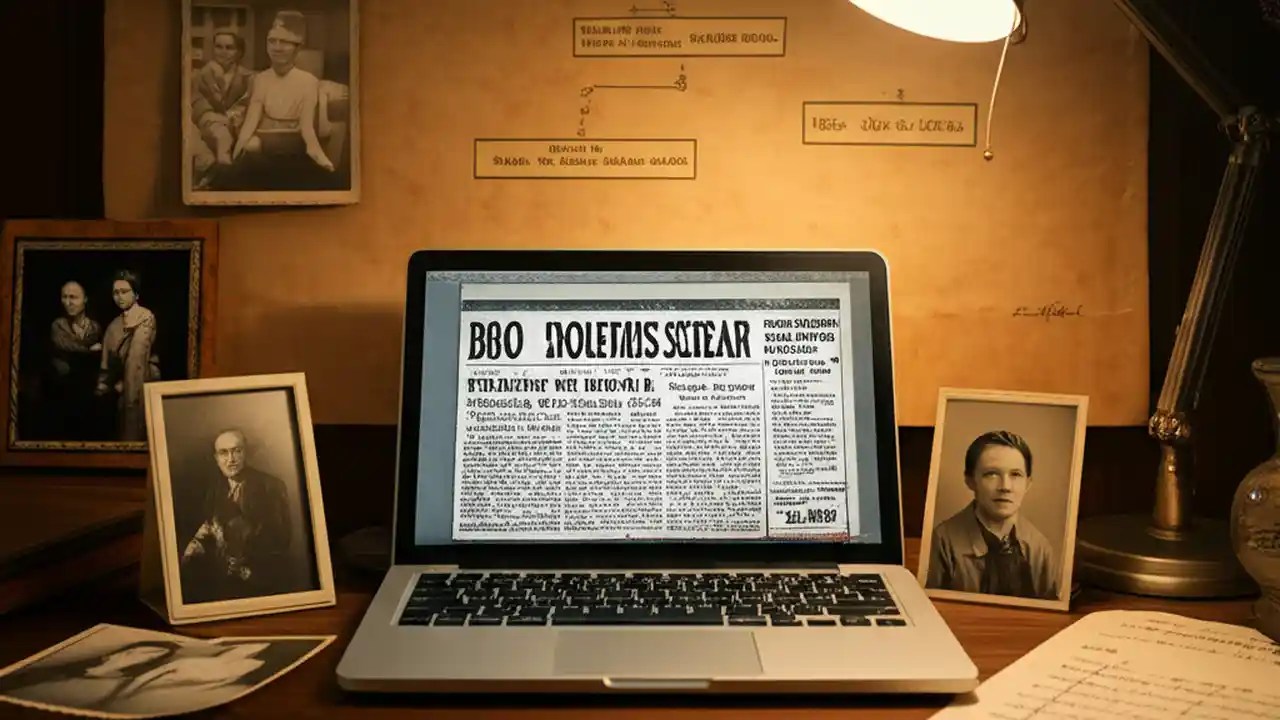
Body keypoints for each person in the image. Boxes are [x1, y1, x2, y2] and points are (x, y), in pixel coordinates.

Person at [926, 430, 1059, 600]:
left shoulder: (1040, 548)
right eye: (992, 474)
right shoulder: (943, 542)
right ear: (971, 481)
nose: (1005, 486)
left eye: (1016, 474)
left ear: (1028, 484)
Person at [181, 429, 293, 602]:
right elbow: (211, 525)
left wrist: (243, 564)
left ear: (245, 453)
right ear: (216, 458)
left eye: (237, 451)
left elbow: (281, 538)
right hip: (222, 579)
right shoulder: (215, 490)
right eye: (223, 453)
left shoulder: (271, 486)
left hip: (260, 580)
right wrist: (195, 545)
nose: (231, 459)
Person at [231, 10, 334, 182]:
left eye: (285, 42)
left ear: (297, 47)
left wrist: (318, 154)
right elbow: (250, 122)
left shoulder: (308, 81)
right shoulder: (260, 79)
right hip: (264, 146)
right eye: (272, 41)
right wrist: (236, 152)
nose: (277, 47)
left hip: (295, 146)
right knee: (248, 153)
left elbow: (307, 129)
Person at [0, 640, 181, 712]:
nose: (136, 655)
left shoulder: (109, 686)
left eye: (148, 657)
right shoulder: (71, 664)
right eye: (138, 650)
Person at [95, 270, 160, 442]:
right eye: (115, 293)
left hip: (143, 380)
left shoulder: (145, 317)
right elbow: (106, 364)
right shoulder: (113, 326)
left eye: (124, 292)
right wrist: (104, 387)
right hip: (120, 388)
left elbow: (136, 360)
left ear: (136, 294)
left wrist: (126, 383)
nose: (119, 297)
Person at [192, 27, 254, 179]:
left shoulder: (248, 77)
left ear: (239, 52)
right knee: (222, 136)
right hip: (210, 120)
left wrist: (235, 115)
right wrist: (215, 117)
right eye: (218, 47)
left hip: (237, 121)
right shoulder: (200, 75)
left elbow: (248, 101)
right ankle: (224, 177)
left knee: (249, 144)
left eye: (229, 48)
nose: (223, 51)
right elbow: (197, 101)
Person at [46, 280, 103, 439]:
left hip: (88, 395)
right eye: (64, 297)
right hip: (63, 395)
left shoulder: (94, 328)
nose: (68, 302)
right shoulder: (58, 325)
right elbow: (67, 347)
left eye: (73, 297)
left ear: (85, 299)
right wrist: (89, 350)